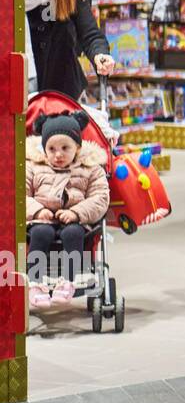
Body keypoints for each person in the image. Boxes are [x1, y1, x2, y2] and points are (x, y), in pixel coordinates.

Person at [26, 111, 110, 309]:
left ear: (78, 147)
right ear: (43, 147)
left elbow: (100, 197)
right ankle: (35, 282)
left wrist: (76, 213)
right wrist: (38, 211)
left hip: (76, 221)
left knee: (73, 233)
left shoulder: (91, 168)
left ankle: (68, 281)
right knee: (40, 232)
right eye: (52, 148)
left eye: (65, 148)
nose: (58, 154)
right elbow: (21, 195)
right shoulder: (33, 167)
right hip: (41, 220)